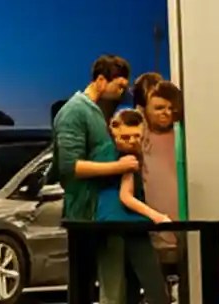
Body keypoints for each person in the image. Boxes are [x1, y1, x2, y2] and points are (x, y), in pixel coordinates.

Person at [52, 55, 138, 304]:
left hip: (102, 210)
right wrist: (117, 167)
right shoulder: (74, 112)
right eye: (119, 85)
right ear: (101, 80)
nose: (123, 92)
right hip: (83, 211)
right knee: (82, 281)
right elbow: (71, 167)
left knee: (110, 281)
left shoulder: (97, 112)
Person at [95, 109, 171, 304]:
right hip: (121, 223)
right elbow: (126, 196)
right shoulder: (125, 157)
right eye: (125, 137)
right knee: (136, 286)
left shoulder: (107, 151)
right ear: (114, 130)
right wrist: (157, 216)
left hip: (115, 222)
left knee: (120, 288)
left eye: (136, 136)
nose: (130, 141)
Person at [133, 73, 187, 296]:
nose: (165, 112)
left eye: (169, 107)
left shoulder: (182, 133)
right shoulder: (141, 136)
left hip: (185, 225)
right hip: (155, 227)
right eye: (157, 107)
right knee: (157, 292)